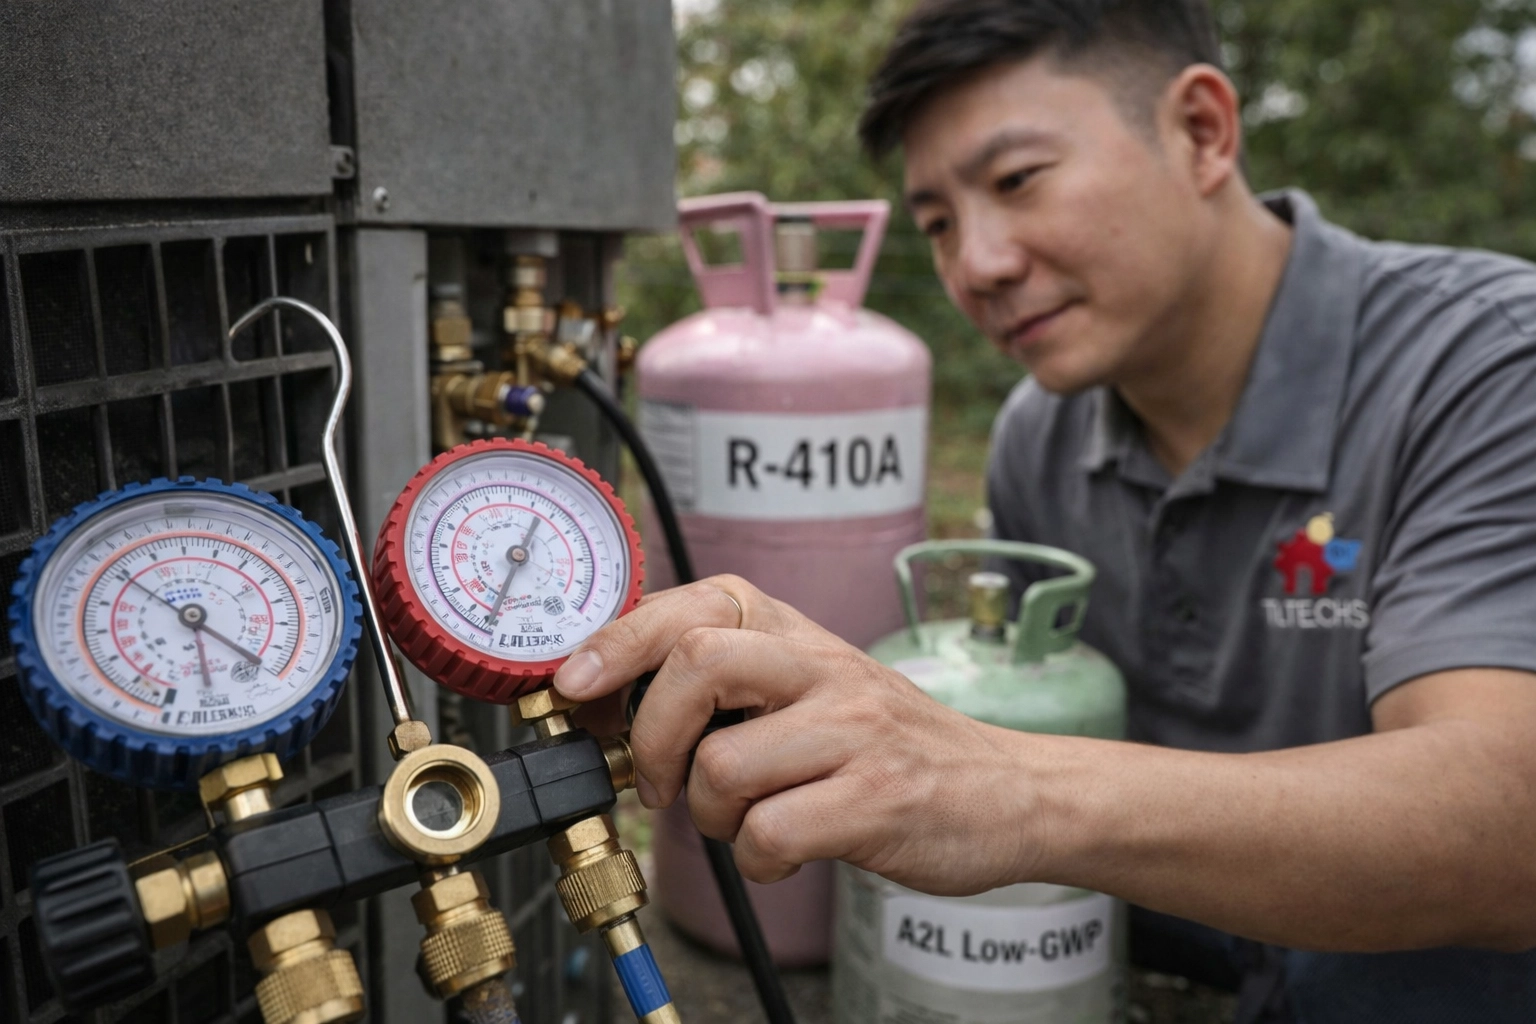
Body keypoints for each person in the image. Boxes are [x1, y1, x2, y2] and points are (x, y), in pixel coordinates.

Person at [555, 0, 1536, 1018]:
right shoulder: (1043, 433)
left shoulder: (1483, 368)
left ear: (1201, 130)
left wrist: (1008, 783)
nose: (977, 265)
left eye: (1018, 181)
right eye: (937, 223)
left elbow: (1510, 822)